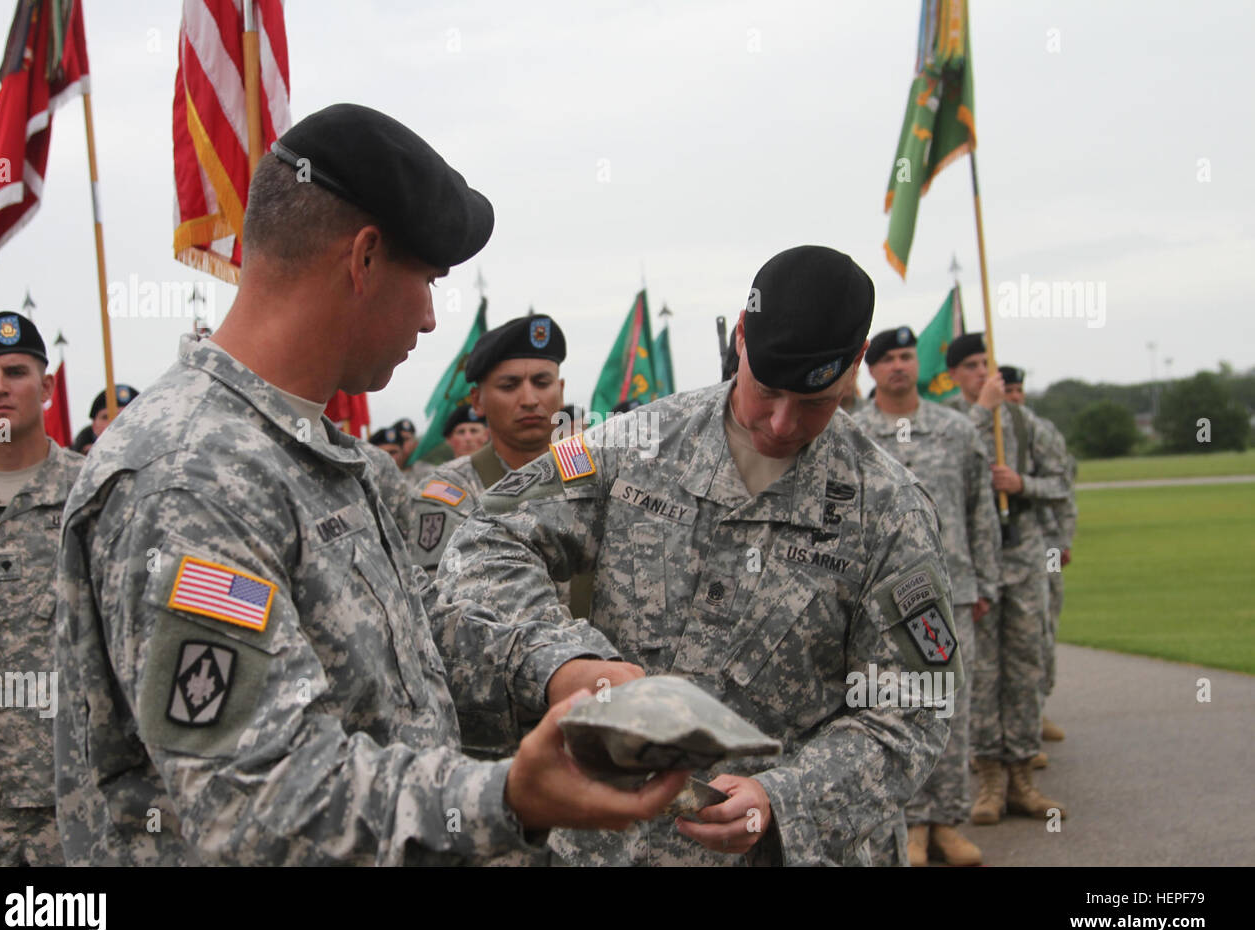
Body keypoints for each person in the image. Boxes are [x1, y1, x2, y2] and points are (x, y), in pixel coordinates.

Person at [51, 104, 686, 866]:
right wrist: (508, 798)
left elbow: (425, 626)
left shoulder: (321, 454)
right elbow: (260, 801)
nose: (425, 319)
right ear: (364, 258)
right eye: (425, 282)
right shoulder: (187, 480)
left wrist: (559, 669)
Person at [432, 246, 963, 866]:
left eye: (814, 402)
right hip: (612, 844)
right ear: (741, 335)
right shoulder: (634, 443)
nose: (783, 424)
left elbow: (912, 708)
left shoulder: (889, 507)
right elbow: (492, 532)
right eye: (767, 391)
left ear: (855, 363)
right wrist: (564, 662)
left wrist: (784, 798)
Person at [852, 326, 1000, 866]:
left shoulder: (957, 430)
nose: (898, 365)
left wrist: (986, 582)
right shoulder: (852, 433)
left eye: (906, 356)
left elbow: (980, 510)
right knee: (893, 706)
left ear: (920, 363)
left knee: (950, 708)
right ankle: (906, 824)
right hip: (881, 597)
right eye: (886, 358)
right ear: (869, 369)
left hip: (953, 590)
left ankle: (945, 822)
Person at [0, 311, 83, 865]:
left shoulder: (97, 493)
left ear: (47, 387)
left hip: (79, 802)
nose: (0, 387)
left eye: (16, 370)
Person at [944, 335, 1070, 824]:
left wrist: (1023, 484)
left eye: (987, 364)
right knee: (980, 675)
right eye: (972, 366)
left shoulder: (1023, 423)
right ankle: (989, 779)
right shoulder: (946, 423)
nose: (983, 374)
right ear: (954, 375)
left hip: (1022, 560)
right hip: (973, 565)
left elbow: (1062, 483)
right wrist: (981, 411)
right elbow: (944, 472)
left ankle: (1022, 777)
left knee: (1023, 668)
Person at [406, 314, 567, 575]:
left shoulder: (593, 477)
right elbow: (445, 601)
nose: (529, 399)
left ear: (561, 391)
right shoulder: (451, 492)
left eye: (542, 383)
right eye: (509, 385)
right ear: (477, 401)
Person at [1000, 366, 1076, 745]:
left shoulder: (1037, 430)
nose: (1012, 397)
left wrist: (1065, 541)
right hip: (1000, 547)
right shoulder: (982, 430)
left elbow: (1063, 486)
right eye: (1006, 389)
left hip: (1043, 543)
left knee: (1042, 626)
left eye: (1017, 390)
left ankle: (1037, 708)